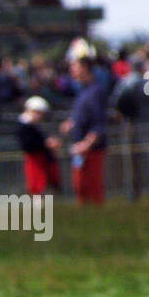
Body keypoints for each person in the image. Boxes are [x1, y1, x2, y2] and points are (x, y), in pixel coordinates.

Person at [62, 56, 108, 205]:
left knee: (91, 190)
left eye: (74, 66)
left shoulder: (96, 92)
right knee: (80, 188)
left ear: (84, 68)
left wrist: (86, 144)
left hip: (90, 150)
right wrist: (71, 123)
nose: (71, 70)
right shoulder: (82, 91)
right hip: (79, 149)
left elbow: (99, 123)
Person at [17, 97, 61, 195]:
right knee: (37, 186)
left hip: (41, 159)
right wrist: (47, 143)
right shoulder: (25, 126)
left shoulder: (33, 125)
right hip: (35, 160)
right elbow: (28, 144)